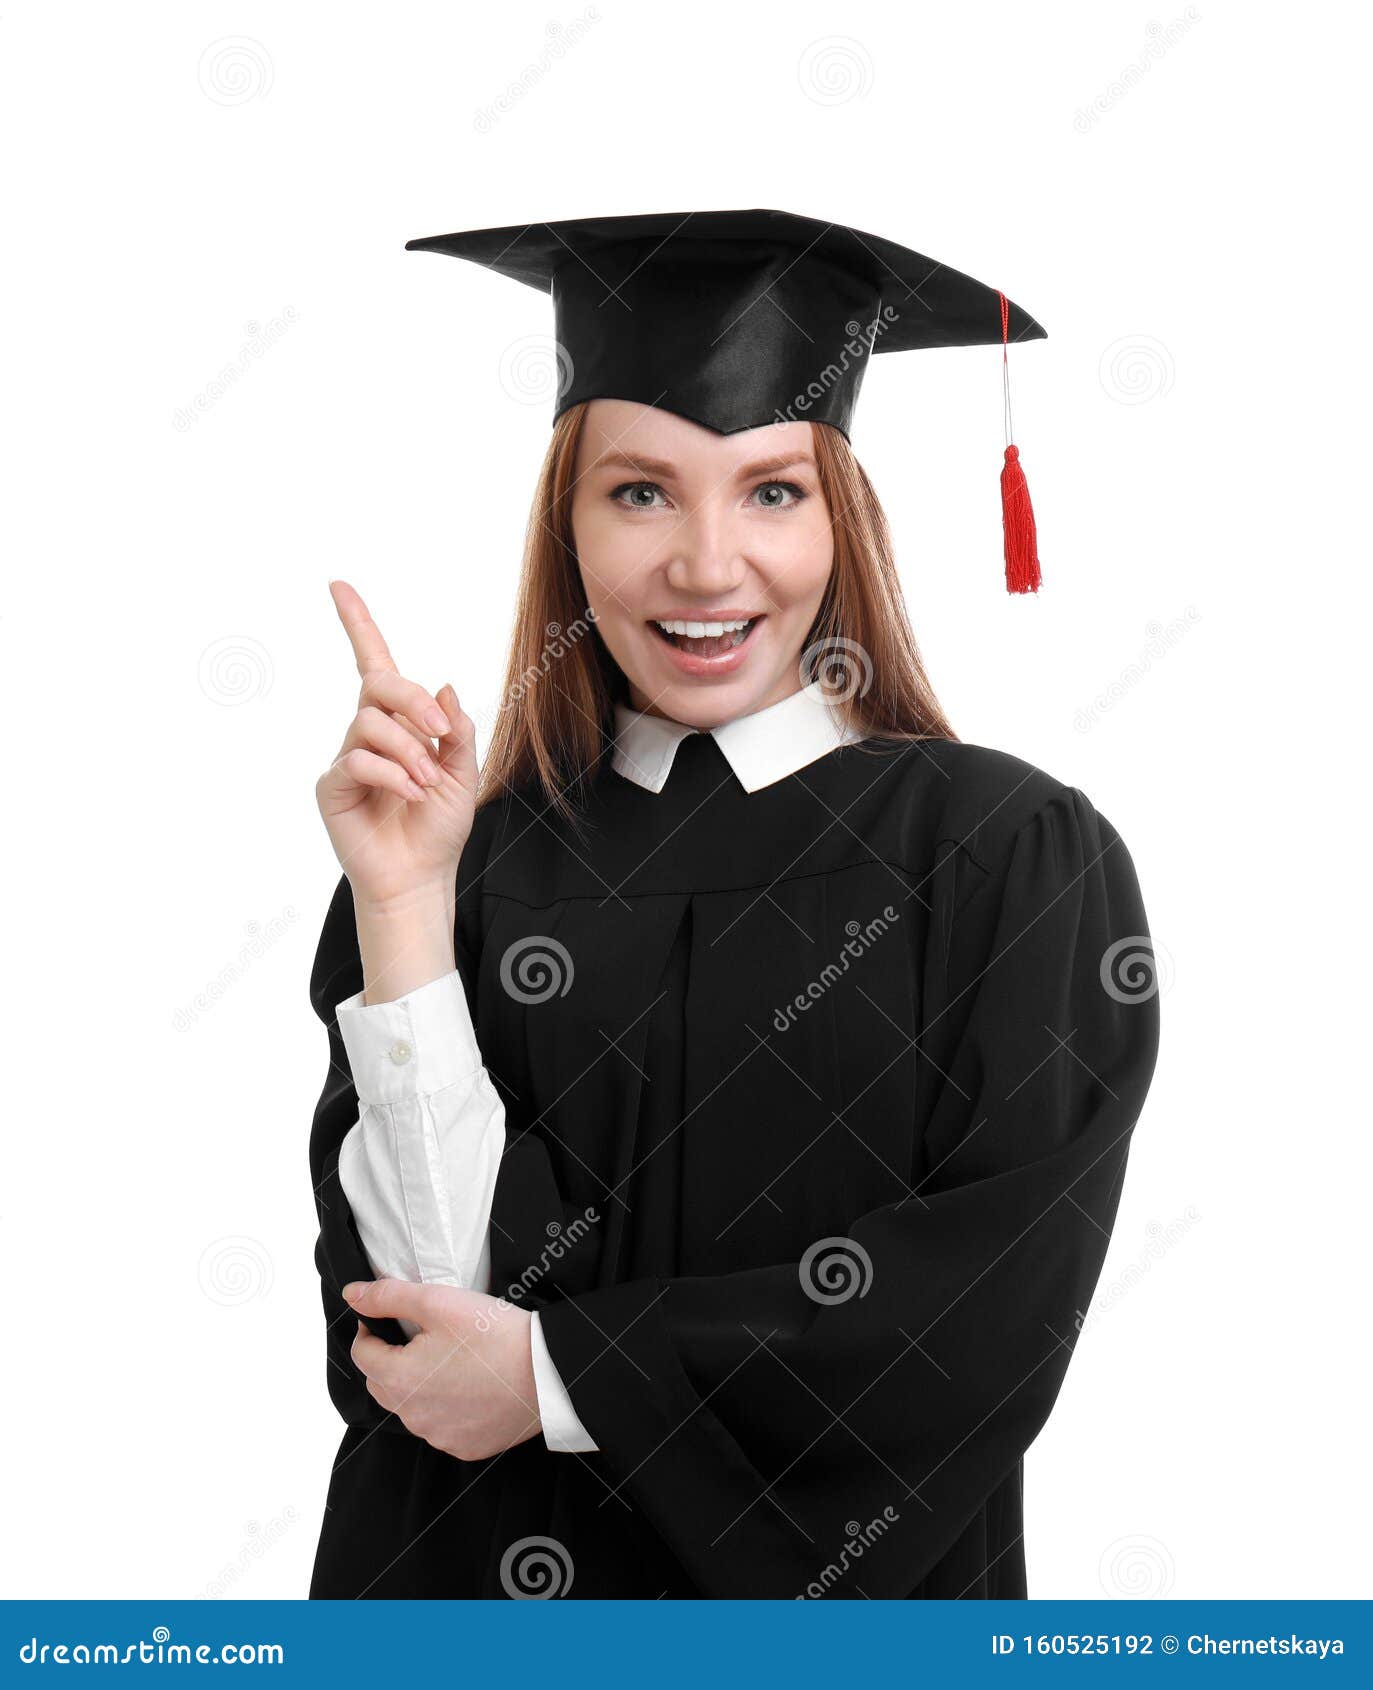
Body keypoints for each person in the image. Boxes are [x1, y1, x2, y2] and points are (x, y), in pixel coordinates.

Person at [306, 211, 1160, 1599]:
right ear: (565, 528)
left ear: (844, 519)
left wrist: (555, 1372)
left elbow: (984, 1305)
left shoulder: (1004, 854)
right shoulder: (456, 860)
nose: (707, 566)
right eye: (639, 492)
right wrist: (403, 904)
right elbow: (420, 1315)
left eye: (770, 491)